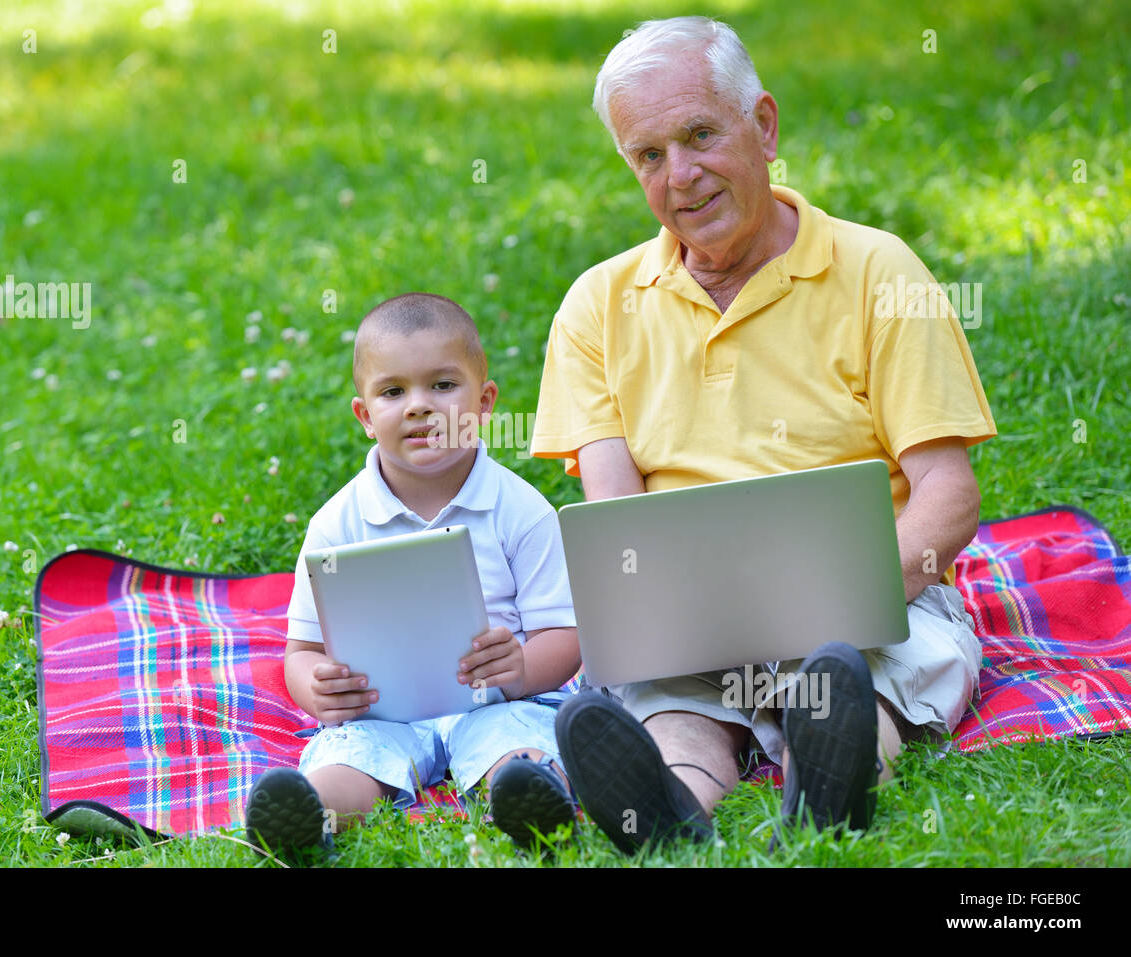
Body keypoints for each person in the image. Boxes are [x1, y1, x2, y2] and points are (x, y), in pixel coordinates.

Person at [530, 16, 997, 853]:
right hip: (691, 616)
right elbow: (617, 526)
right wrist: (662, 614)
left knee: (853, 683)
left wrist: (839, 600)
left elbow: (948, 495)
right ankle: (672, 810)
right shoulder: (596, 307)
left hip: (867, 596)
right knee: (671, 704)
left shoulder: (878, 270)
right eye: (648, 155)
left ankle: (829, 789)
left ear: (765, 125)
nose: (681, 175)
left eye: (700, 134)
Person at [245, 292, 581, 858]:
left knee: (519, 748)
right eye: (394, 392)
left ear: (485, 401)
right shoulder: (337, 524)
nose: (419, 407)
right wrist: (319, 689)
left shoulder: (522, 512)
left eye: (443, 386)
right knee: (350, 758)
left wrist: (522, 668)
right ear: (365, 416)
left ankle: (534, 806)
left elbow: (568, 638)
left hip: (498, 703)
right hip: (382, 709)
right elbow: (301, 649)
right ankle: (306, 817)